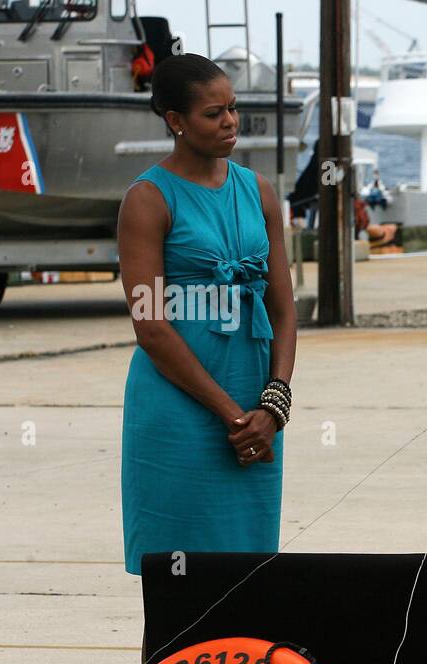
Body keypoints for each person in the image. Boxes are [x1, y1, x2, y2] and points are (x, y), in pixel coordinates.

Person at [118, 54, 297, 578]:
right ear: (175, 120)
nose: (230, 123)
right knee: (179, 581)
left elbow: (284, 311)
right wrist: (232, 416)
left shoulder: (258, 191)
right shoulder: (148, 200)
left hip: (256, 409)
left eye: (234, 109)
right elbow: (150, 324)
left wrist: (273, 404)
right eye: (213, 113)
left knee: (249, 574)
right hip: (180, 408)